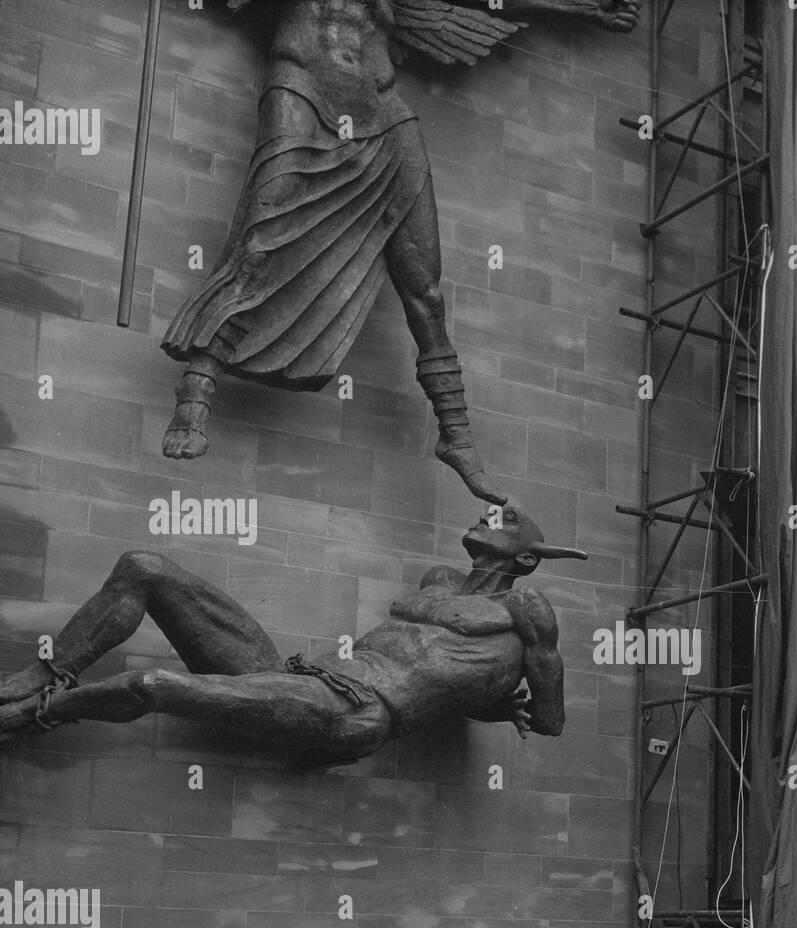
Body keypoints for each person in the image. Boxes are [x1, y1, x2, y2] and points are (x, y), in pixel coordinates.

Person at [159, 0, 640, 501]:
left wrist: (584, 8)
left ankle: (456, 435)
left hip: (384, 115)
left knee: (425, 288)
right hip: (302, 89)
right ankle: (195, 392)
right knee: (262, 239)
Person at [0, 508, 587, 761]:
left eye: (505, 523)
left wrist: (497, 703)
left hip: (360, 712)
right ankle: (46, 674)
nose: (489, 518)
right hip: (301, 676)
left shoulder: (525, 607)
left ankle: (29, 717)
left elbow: (550, 719)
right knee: (144, 567)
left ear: (528, 559)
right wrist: (482, 696)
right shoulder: (438, 582)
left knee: (151, 683)